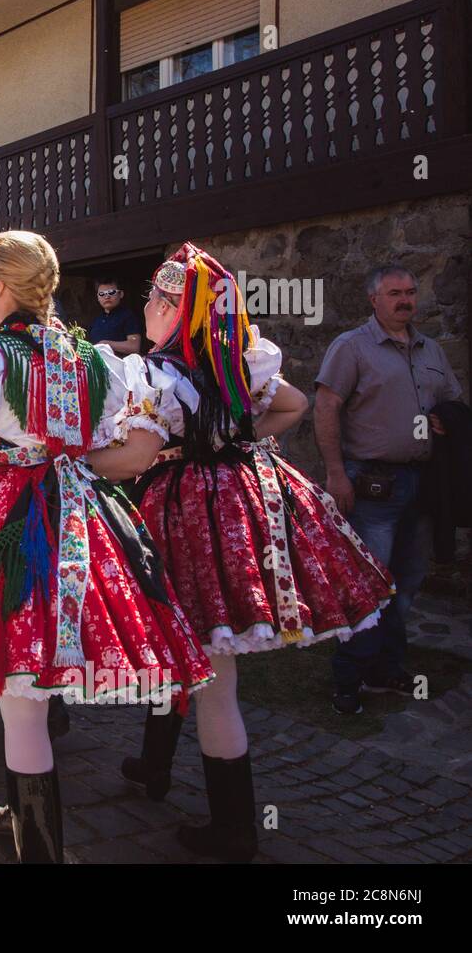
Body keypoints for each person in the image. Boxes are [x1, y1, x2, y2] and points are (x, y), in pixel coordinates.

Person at [0, 231, 214, 863]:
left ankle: (37, 846)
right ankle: (23, 831)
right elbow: (102, 443)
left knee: (19, 701)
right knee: (42, 676)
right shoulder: (92, 359)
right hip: (81, 511)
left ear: (0, 286)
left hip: (4, 516)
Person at [117, 244, 394, 862]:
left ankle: (233, 829)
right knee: (194, 644)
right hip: (245, 496)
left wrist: (77, 462)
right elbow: (292, 406)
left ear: (171, 308)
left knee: (211, 668)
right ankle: (154, 764)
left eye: (153, 301)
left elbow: (134, 456)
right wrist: (231, 432)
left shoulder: (156, 375)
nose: (147, 310)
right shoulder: (236, 362)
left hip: (183, 511)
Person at [315, 264, 463, 714]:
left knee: (408, 582)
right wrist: (337, 473)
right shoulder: (352, 347)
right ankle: (349, 676)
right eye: (395, 292)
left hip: (424, 485)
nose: (406, 300)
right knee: (369, 585)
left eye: (411, 292)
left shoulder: (432, 349)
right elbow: (325, 406)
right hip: (373, 484)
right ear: (373, 300)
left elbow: (455, 401)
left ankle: (386, 667)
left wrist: (447, 418)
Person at [87, 277, 144, 356]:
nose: (107, 296)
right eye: (102, 294)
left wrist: (105, 344)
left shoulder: (128, 316)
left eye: (111, 292)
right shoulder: (96, 320)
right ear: (98, 297)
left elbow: (134, 346)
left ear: (121, 294)